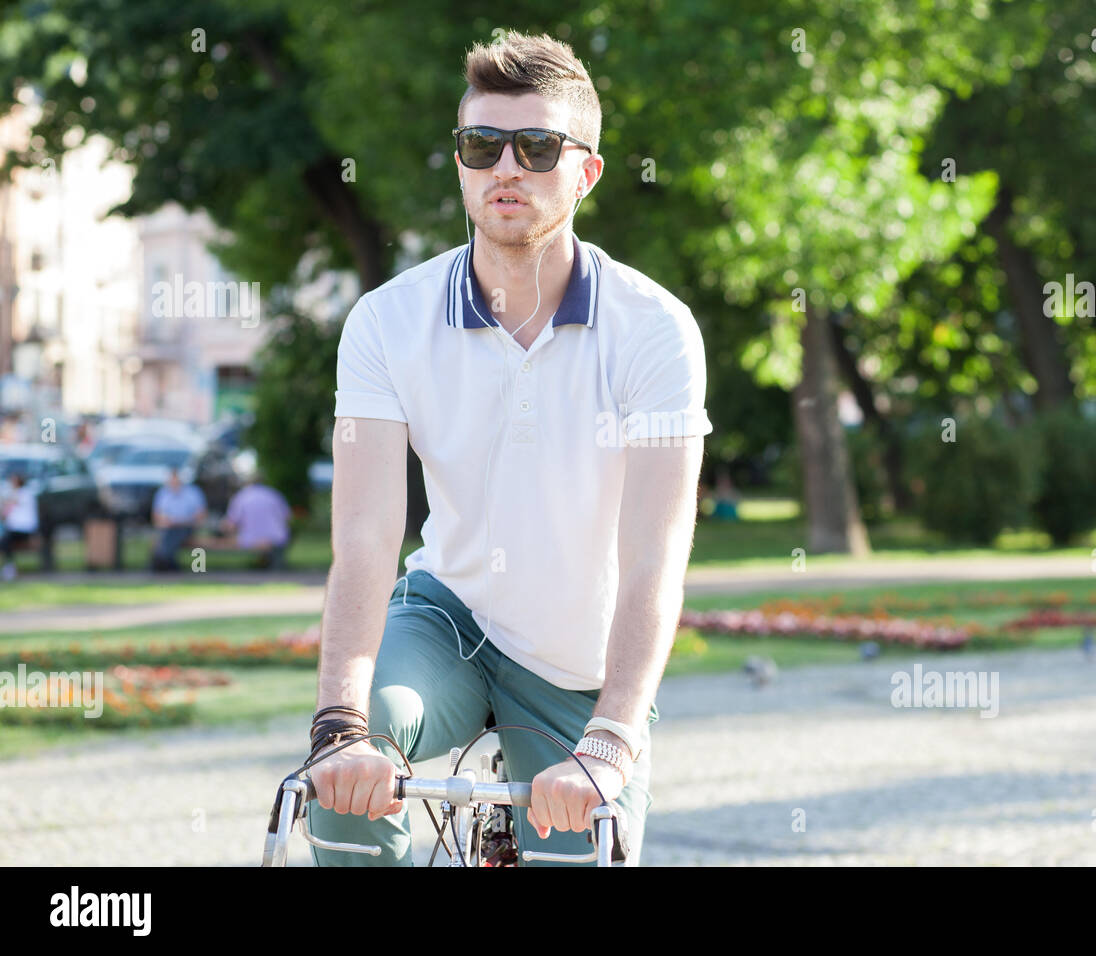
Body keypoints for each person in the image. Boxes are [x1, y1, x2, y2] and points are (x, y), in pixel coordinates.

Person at [305, 31, 711, 867]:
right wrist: (338, 725)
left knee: (580, 847)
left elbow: (653, 564)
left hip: (580, 661)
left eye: (537, 147)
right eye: (482, 145)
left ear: (586, 171)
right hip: (447, 621)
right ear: (460, 162)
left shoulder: (655, 329)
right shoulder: (386, 320)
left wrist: (611, 741)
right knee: (347, 779)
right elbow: (366, 542)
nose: (506, 168)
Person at [219, 472, 291, 569]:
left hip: (250, 540)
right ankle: (269, 563)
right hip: (277, 539)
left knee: (219, 541)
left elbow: (230, 524)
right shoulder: (274, 494)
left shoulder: (241, 497)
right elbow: (287, 517)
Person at [149, 467, 206, 572]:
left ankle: (162, 560)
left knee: (171, 534)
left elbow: (200, 515)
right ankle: (169, 562)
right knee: (169, 533)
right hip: (167, 527)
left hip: (187, 527)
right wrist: (168, 521)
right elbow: (156, 516)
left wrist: (181, 521)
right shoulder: (162, 493)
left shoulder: (193, 493)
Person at [0, 472, 40, 581]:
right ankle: (9, 567)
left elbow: (11, 501)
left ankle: (9, 568)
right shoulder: (14, 493)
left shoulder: (25, 493)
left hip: (25, 530)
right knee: (5, 539)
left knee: (4, 540)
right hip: (13, 530)